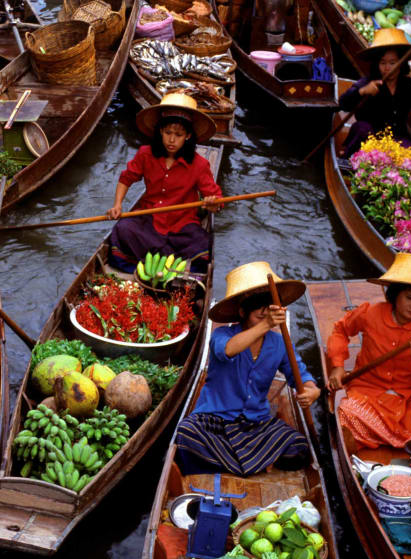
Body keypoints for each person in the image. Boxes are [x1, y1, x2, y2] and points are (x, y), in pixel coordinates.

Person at [175, 262, 322, 476]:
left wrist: (312, 391)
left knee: (298, 448)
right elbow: (228, 350)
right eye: (257, 308)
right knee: (187, 435)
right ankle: (252, 463)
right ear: (242, 311)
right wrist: (266, 324)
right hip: (214, 420)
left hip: (255, 424)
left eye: (268, 306)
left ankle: (232, 463)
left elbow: (302, 378)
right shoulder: (223, 335)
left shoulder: (279, 343)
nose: (265, 312)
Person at [326, 252, 411, 448]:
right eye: (409, 297)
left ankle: (382, 439)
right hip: (369, 391)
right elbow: (340, 330)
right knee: (349, 413)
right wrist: (337, 366)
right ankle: (404, 443)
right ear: (395, 294)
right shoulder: (371, 313)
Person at [107, 93, 223, 273]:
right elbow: (126, 178)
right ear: (160, 131)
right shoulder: (146, 154)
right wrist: (117, 205)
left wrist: (212, 204)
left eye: (178, 134)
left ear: (188, 136)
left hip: (183, 223)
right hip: (150, 216)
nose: (171, 140)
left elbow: (217, 200)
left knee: (202, 244)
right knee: (123, 229)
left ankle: (158, 260)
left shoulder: (199, 164)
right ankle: (164, 262)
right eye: (168, 133)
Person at [339, 28, 411, 158]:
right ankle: (347, 158)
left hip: (396, 137)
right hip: (368, 134)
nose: (387, 68)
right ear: (377, 64)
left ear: (401, 64)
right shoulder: (368, 83)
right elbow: (343, 103)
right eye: (383, 63)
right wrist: (362, 91)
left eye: (392, 63)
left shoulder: (409, 85)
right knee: (362, 129)